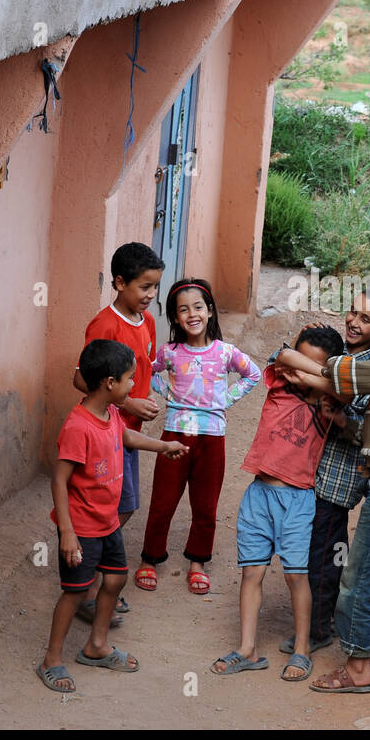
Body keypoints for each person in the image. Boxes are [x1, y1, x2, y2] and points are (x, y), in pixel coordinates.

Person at [275, 295, 370, 694]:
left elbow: (340, 370)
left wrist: (289, 357)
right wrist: (344, 421)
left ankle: (358, 666)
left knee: (357, 580)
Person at [38, 340, 187, 693]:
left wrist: (163, 447)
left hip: (107, 522)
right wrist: (68, 533)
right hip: (83, 527)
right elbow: (60, 479)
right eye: (128, 380)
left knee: (116, 580)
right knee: (74, 594)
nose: (132, 387)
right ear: (109, 383)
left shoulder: (111, 412)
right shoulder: (78, 426)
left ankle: (97, 645)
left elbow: (126, 437)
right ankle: (52, 659)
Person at [210, 326, 345, 683]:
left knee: (296, 576)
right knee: (251, 572)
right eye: (301, 362)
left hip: (297, 499)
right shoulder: (278, 385)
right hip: (258, 494)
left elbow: (342, 386)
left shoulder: (329, 400)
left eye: (313, 367)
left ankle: (302, 649)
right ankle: (247, 649)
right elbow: (283, 356)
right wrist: (299, 368)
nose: (298, 373)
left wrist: (312, 376)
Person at [278, 289, 370, 657]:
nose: (354, 322)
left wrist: (315, 380)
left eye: (366, 319)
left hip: (336, 480)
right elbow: (286, 358)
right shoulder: (342, 353)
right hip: (310, 470)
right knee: (316, 548)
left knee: (324, 555)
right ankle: (318, 618)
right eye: (352, 312)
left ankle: (319, 628)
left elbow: (348, 403)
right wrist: (305, 343)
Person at [136, 279, 261, 594]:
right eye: (182, 309)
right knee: (163, 501)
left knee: (206, 506)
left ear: (209, 312)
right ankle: (151, 557)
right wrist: (169, 395)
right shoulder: (171, 352)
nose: (191, 314)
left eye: (198, 307)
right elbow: (148, 370)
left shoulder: (224, 352)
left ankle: (198, 560)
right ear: (176, 318)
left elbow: (254, 374)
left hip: (212, 439)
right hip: (174, 435)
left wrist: (225, 400)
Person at [72, 242, 164, 626]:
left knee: (122, 505)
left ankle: (90, 573)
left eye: (155, 287)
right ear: (120, 282)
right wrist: (128, 405)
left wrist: (148, 394)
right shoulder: (105, 325)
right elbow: (81, 378)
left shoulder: (148, 322)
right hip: (108, 432)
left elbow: (144, 368)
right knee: (116, 506)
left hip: (130, 430)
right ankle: (87, 584)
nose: (151, 295)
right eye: (144, 287)